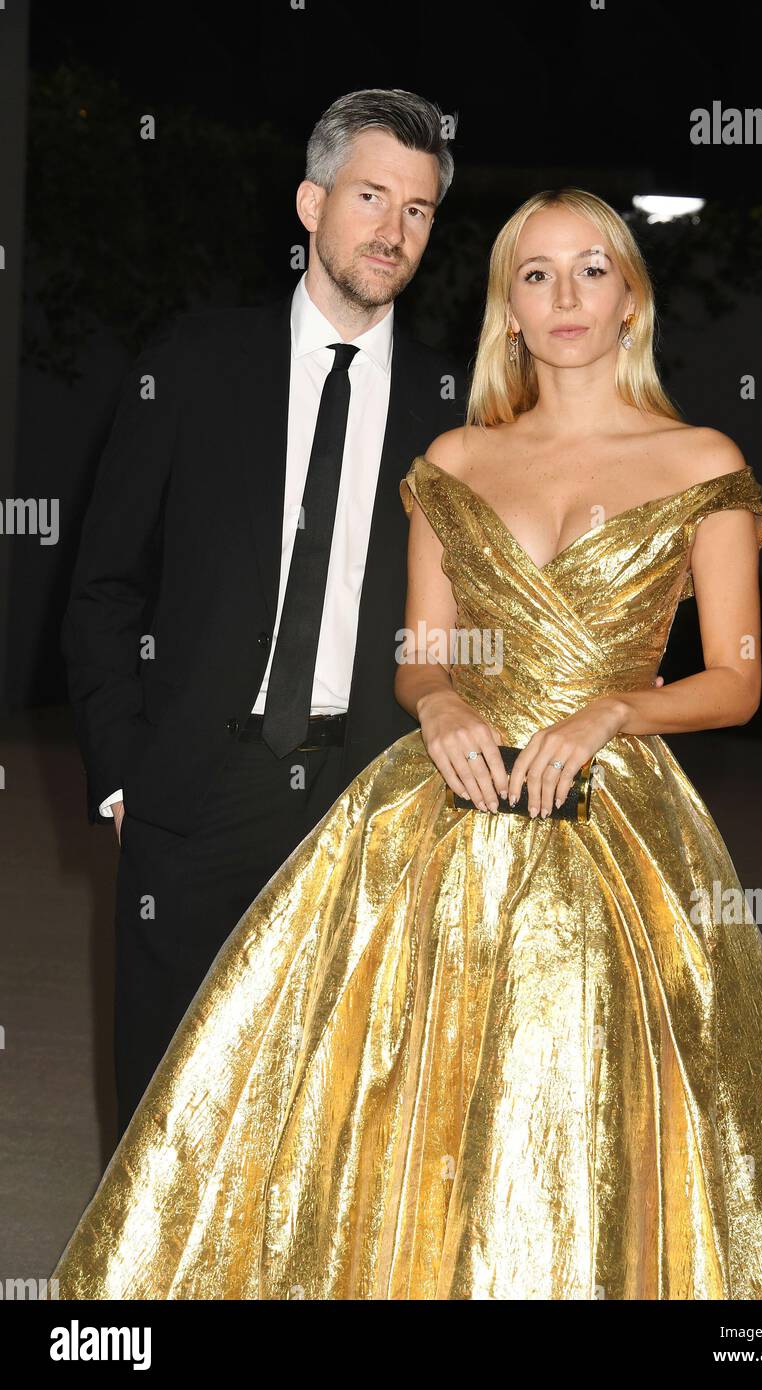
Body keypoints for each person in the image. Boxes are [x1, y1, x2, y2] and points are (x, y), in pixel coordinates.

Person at [51, 187, 762, 1300]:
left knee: (581, 1114)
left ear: (630, 298)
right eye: (533, 274)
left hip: (614, 826)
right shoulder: (455, 460)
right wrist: (437, 705)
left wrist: (616, 709)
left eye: (589, 269)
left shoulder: (700, 457)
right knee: (380, 1114)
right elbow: (419, 656)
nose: (562, 295)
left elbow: (736, 680)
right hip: (441, 812)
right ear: (505, 311)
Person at [60, 89, 467, 1139]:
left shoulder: (455, 409)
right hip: (194, 784)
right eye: (371, 196)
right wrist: (119, 771)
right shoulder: (192, 365)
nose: (392, 230)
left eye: (417, 210)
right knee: (166, 1111)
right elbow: (104, 583)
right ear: (310, 201)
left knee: (330, 1129)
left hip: (367, 795)